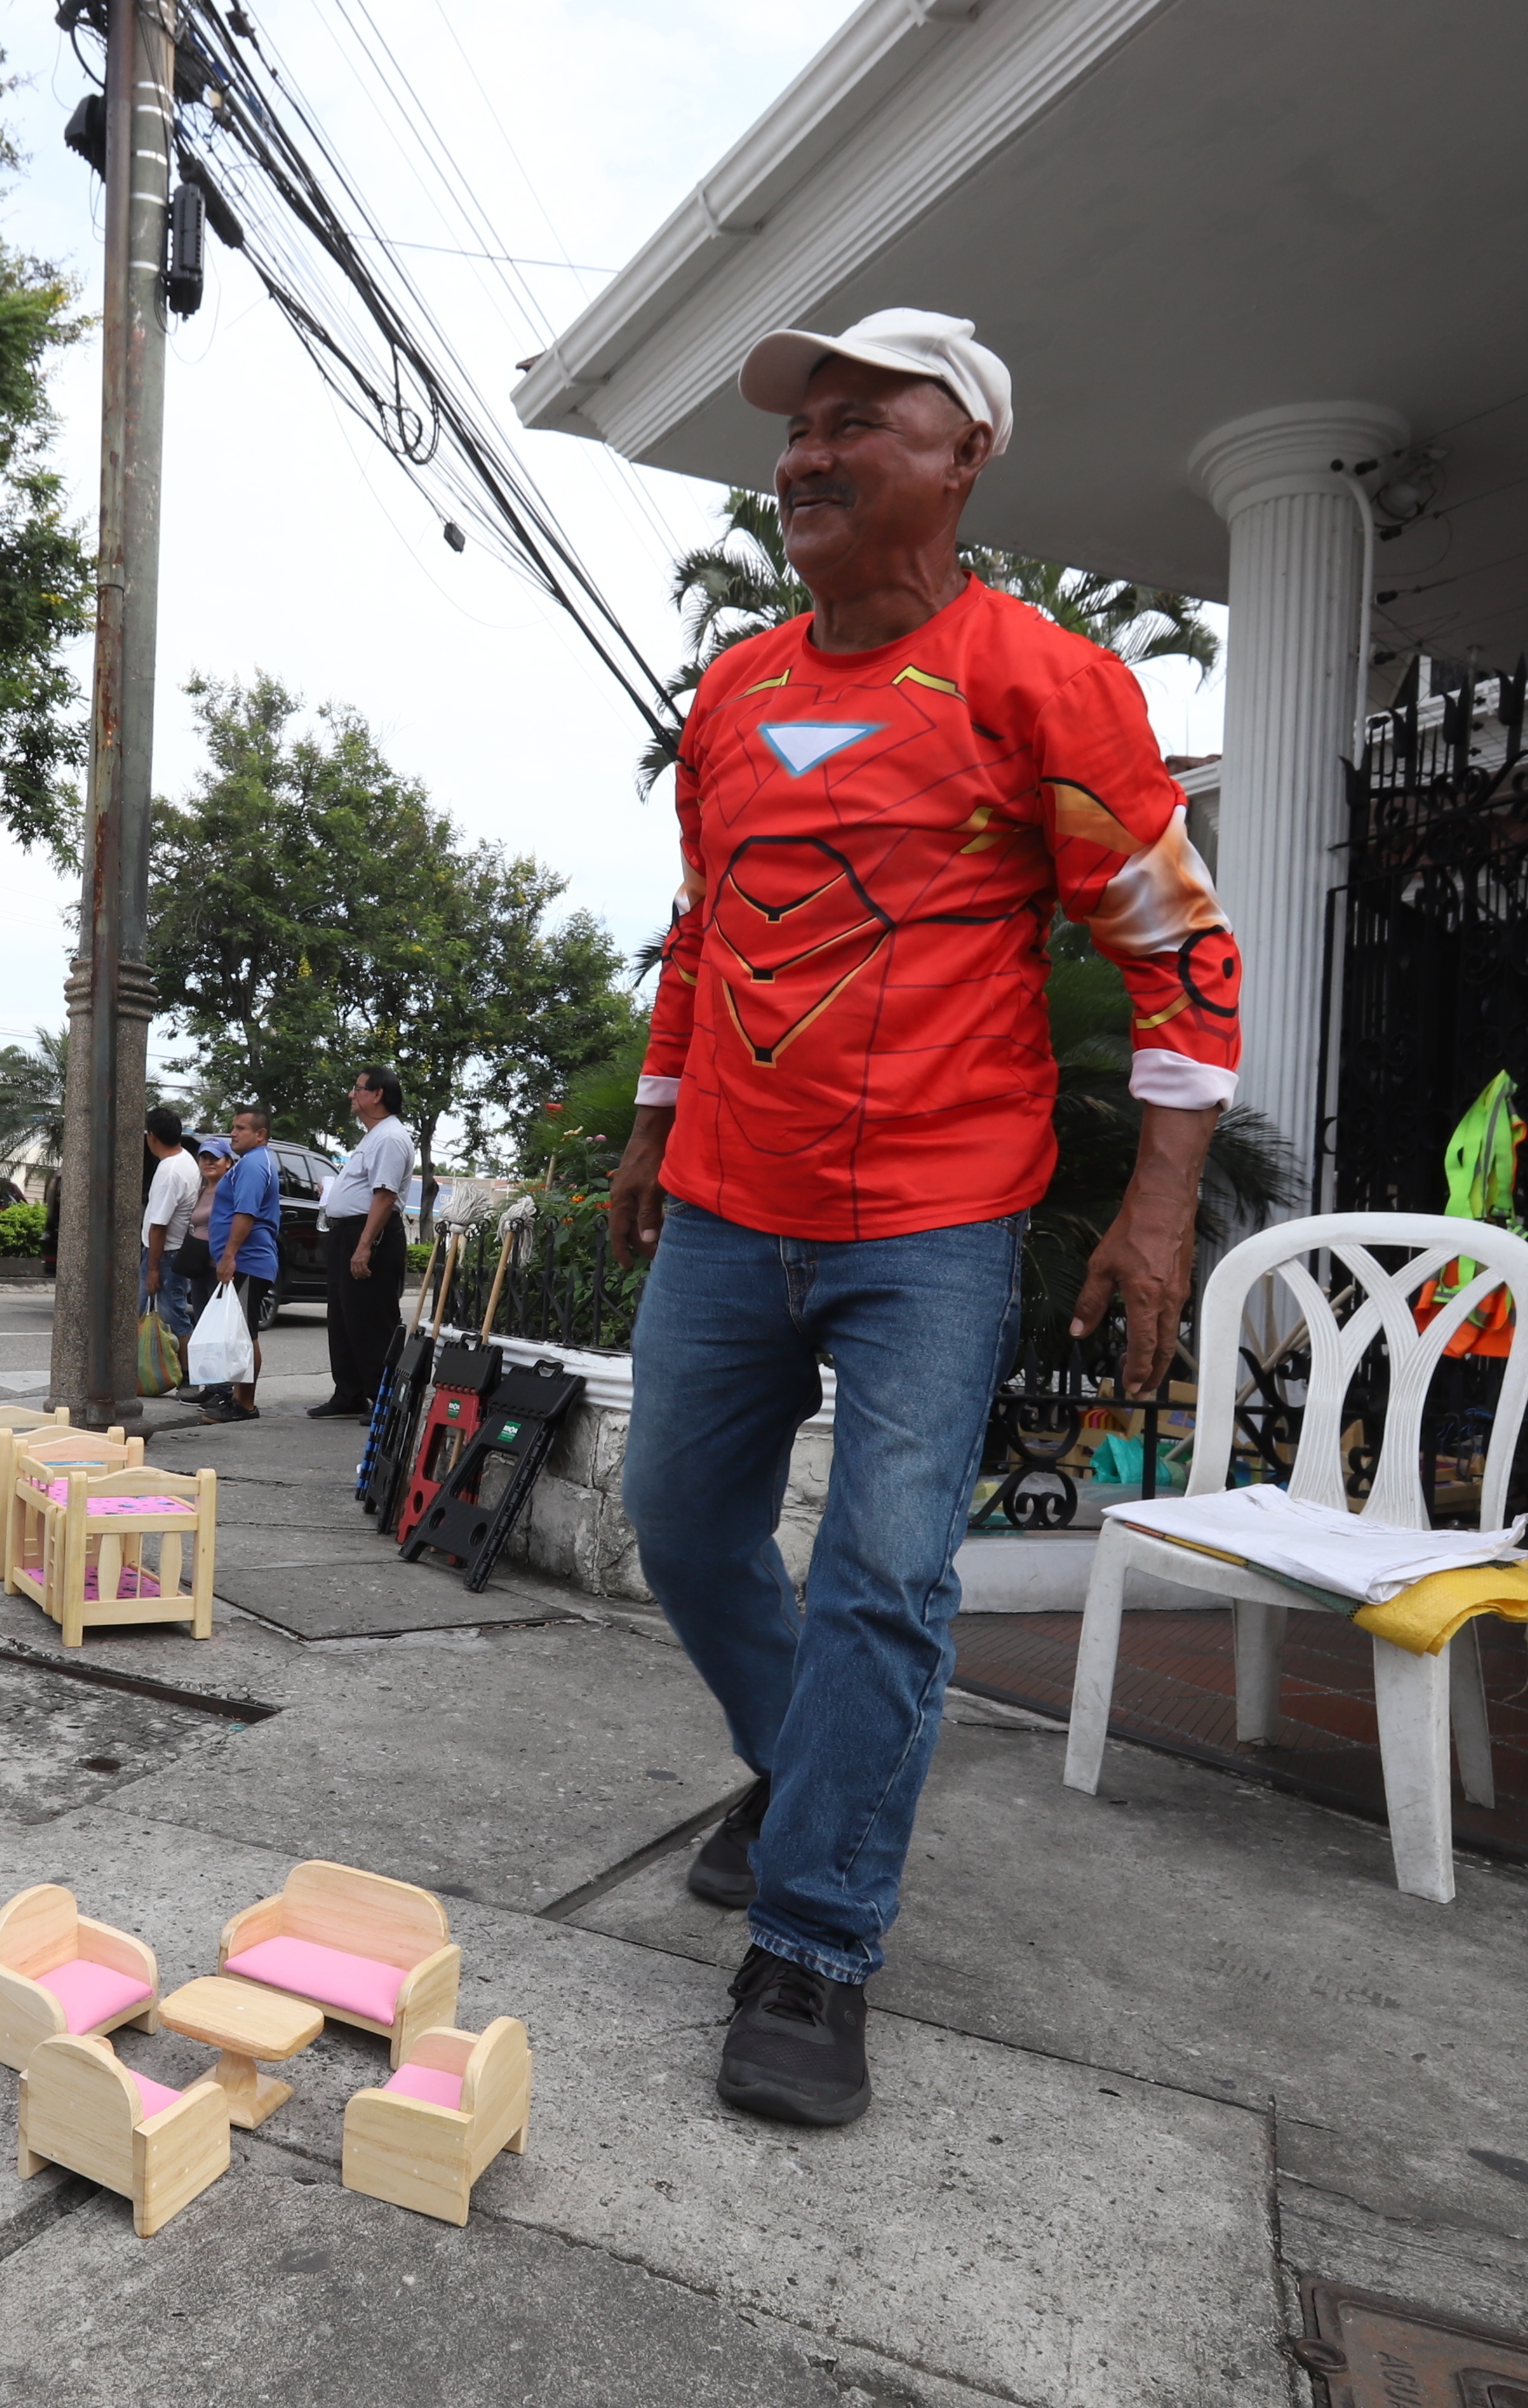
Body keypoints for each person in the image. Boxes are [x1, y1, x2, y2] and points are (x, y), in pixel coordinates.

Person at [607, 309, 1243, 2128]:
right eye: (798, 430)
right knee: (679, 1522)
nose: (803, 457)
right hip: (731, 1206)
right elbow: (705, 927)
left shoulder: (1042, 681)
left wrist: (1155, 1211)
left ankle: (813, 1943)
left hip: (935, 1225)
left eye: (854, 424)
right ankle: (799, 1768)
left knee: (888, 1574)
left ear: (963, 458)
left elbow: (1177, 951)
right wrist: (656, 1122)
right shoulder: (730, 695)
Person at [308, 1068, 414, 1419]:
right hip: (346, 1231)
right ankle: (349, 1392)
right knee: (343, 1317)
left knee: (372, 1320)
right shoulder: (372, 1137)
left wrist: (365, 1245)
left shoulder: (390, 1138)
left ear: (377, 1094)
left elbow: (385, 1196)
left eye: (357, 1088)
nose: (351, 1095)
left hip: (370, 1233)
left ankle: (385, 1398)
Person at [202, 1107, 283, 1423]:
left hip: (248, 1261)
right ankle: (238, 1397)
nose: (233, 1133)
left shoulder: (252, 1164)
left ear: (260, 1134)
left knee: (245, 1333)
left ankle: (245, 1404)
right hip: (245, 1260)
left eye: (241, 1128)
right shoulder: (250, 1162)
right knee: (239, 1331)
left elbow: (245, 1213)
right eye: (233, 1127)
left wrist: (229, 1255)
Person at [139, 1105, 201, 1321]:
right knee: (150, 1316)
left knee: (173, 1319)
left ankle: (186, 1355)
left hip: (165, 1255)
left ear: (152, 1137)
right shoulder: (185, 1159)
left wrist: (153, 1269)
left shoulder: (170, 1172)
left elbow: (159, 1225)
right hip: (173, 1251)